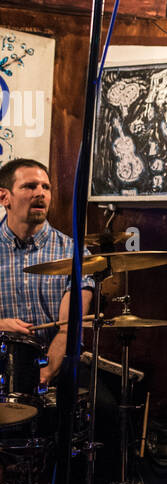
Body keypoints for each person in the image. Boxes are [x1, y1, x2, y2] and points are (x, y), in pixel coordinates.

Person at [0, 159, 94, 384]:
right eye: (30, 186)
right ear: (4, 197)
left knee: (106, 409)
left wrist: (46, 373)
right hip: (3, 367)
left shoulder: (75, 254)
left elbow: (69, 328)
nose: (40, 193)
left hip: (58, 367)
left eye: (46, 187)